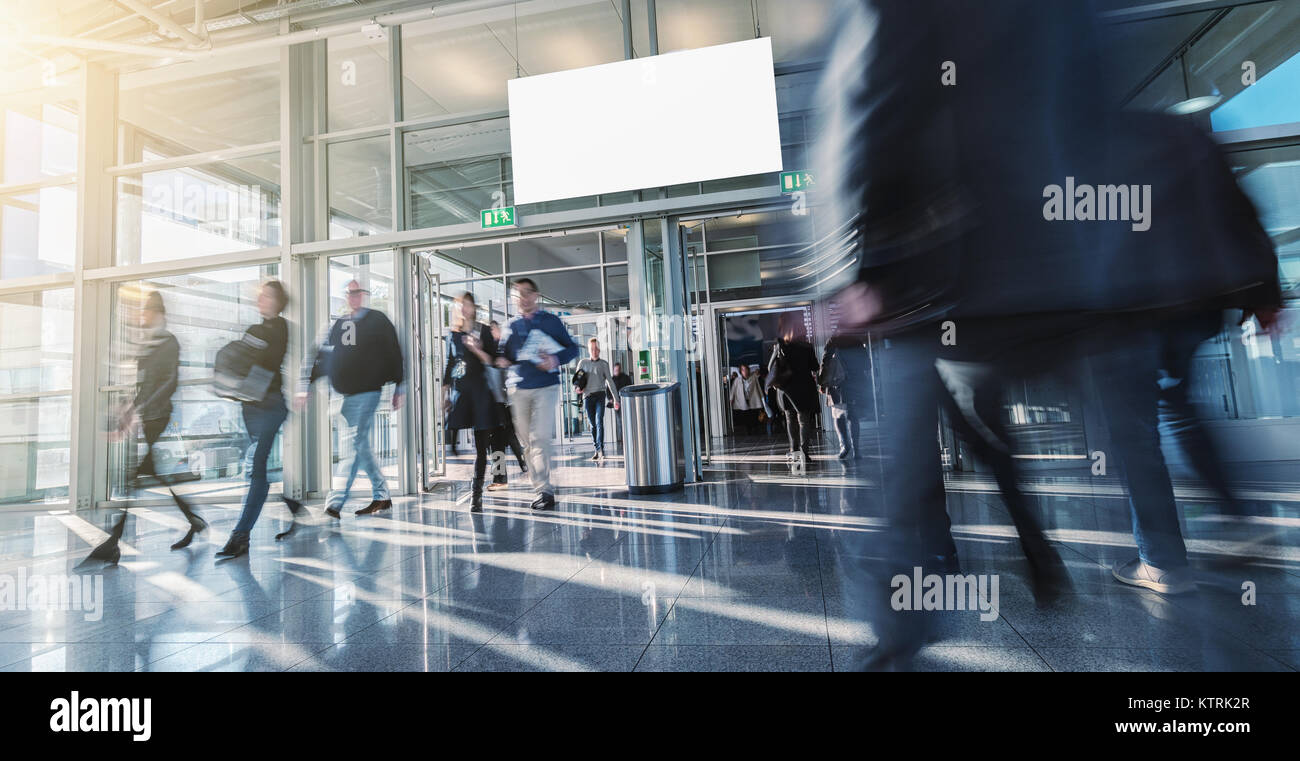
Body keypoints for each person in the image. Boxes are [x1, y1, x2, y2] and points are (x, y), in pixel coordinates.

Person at [84, 291, 207, 566]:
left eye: (148, 311)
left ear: (159, 313)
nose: (144, 316)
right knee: (151, 475)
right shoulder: (147, 344)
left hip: (159, 415)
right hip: (147, 415)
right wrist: (128, 410)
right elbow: (140, 384)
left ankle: (114, 541)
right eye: (143, 312)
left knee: (136, 477)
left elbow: (170, 381)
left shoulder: (168, 342)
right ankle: (193, 520)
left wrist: (142, 407)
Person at [296, 279, 404, 519]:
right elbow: (321, 355)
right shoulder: (338, 324)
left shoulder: (378, 320)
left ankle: (335, 502)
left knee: (354, 445)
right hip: (343, 397)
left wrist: (400, 386)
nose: (353, 297)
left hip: (368, 393)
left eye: (356, 292)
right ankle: (382, 495)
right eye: (349, 293)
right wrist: (306, 385)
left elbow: (394, 351)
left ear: (364, 294)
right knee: (360, 446)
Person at [217, 280, 301, 559]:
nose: (260, 300)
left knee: (256, 469)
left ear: (278, 302)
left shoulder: (278, 328)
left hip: (270, 407)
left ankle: (241, 536)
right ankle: (293, 507)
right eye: (260, 296)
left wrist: (244, 348)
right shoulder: (257, 331)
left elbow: (262, 359)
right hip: (251, 407)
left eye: (267, 296)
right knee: (259, 469)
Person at [495, 277, 579, 510]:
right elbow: (505, 355)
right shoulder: (510, 326)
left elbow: (572, 349)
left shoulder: (550, 321)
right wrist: (501, 360)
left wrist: (555, 359)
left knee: (540, 437)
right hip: (518, 389)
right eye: (517, 294)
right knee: (527, 442)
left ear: (535, 295)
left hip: (545, 386)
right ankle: (541, 482)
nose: (522, 298)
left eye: (526, 293)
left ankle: (544, 490)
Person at [443, 292, 500, 511]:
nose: (465, 309)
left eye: (468, 305)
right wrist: (444, 394)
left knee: (481, 447)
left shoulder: (483, 331)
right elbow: (449, 363)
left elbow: (492, 360)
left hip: (480, 392)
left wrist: (477, 348)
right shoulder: (453, 334)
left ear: (474, 308)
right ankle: (467, 470)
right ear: (457, 309)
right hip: (461, 392)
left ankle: (477, 493)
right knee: (452, 435)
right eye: (461, 305)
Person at [766, 313, 821, 467]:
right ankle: (805, 453)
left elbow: (770, 367)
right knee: (804, 421)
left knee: (790, 419)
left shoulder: (780, 345)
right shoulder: (806, 346)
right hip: (804, 387)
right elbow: (814, 366)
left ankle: (794, 451)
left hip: (786, 389)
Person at [486, 319, 527, 491]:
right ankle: (511, 471)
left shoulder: (503, 350)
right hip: (496, 404)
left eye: (494, 330)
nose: (493, 333)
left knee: (502, 439)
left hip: (504, 402)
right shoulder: (490, 351)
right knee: (502, 439)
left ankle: (503, 476)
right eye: (491, 331)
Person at [577, 338, 618, 460]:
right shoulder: (583, 363)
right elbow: (577, 380)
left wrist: (616, 399)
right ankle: (596, 449)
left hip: (600, 395)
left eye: (596, 349)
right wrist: (577, 388)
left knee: (599, 421)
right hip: (587, 397)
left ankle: (601, 449)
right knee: (593, 425)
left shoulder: (604, 364)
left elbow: (610, 382)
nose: (594, 351)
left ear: (599, 350)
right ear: (589, 350)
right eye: (592, 349)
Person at [819, 338, 859, 459]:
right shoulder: (855, 340)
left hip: (837, 384)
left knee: (838, 416)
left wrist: (822, 382)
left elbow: (825, 363)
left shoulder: (833, 341)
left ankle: (844, 446)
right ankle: (856, 449)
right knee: (853, 416)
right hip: (854, 383)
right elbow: (866, 363)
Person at [728, 363, 762, 435]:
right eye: (743, 370)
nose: (745, 371)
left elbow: (758, 374)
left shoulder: (753, 377)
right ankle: (749, 429)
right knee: (746, 415)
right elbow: (733, 390)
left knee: (754, 414)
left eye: (746, 369)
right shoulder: (737, 380)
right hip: (743, 400)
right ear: (740, 371)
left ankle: (755, 428)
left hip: (753, 399)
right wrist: (731, 399)